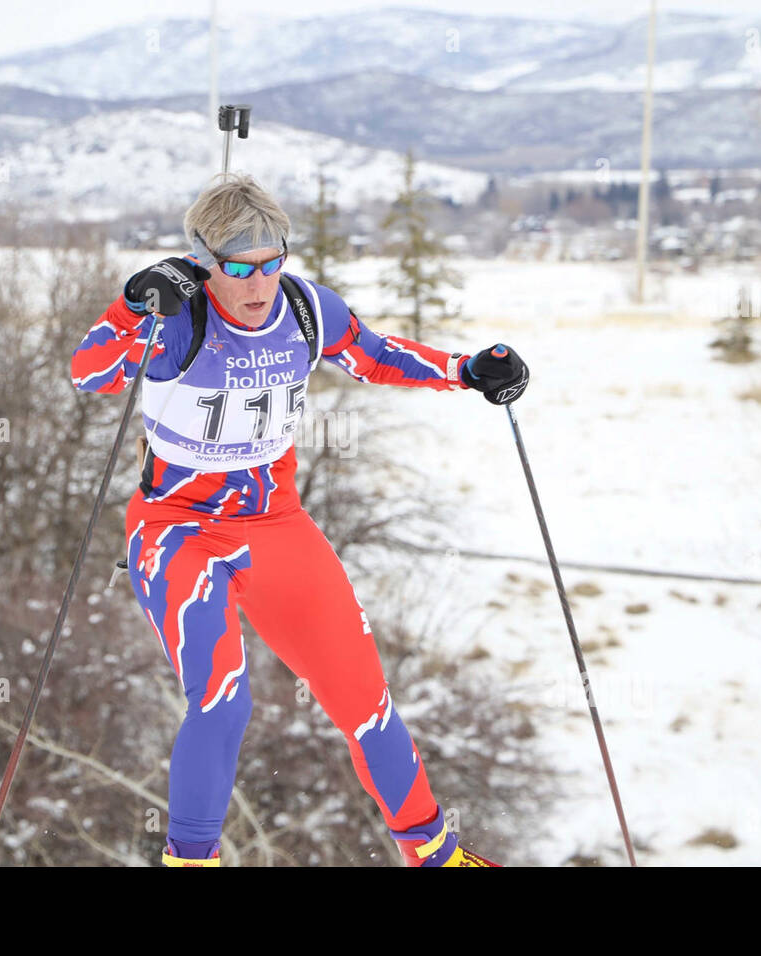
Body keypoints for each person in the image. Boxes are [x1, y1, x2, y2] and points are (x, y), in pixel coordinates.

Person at [71, 174, 529, 867]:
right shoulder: (179, 322)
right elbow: (89, 372)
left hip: (275, 523)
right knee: (224, 702)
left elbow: (373, 355)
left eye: (270, 261)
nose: (257, 284)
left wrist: (464, 369)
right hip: (179, 528)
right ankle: (191, 859)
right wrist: (135, 304)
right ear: (202, 260)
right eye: (237, 267)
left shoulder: (304, 310)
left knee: (364, 700)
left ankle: (436, 855)